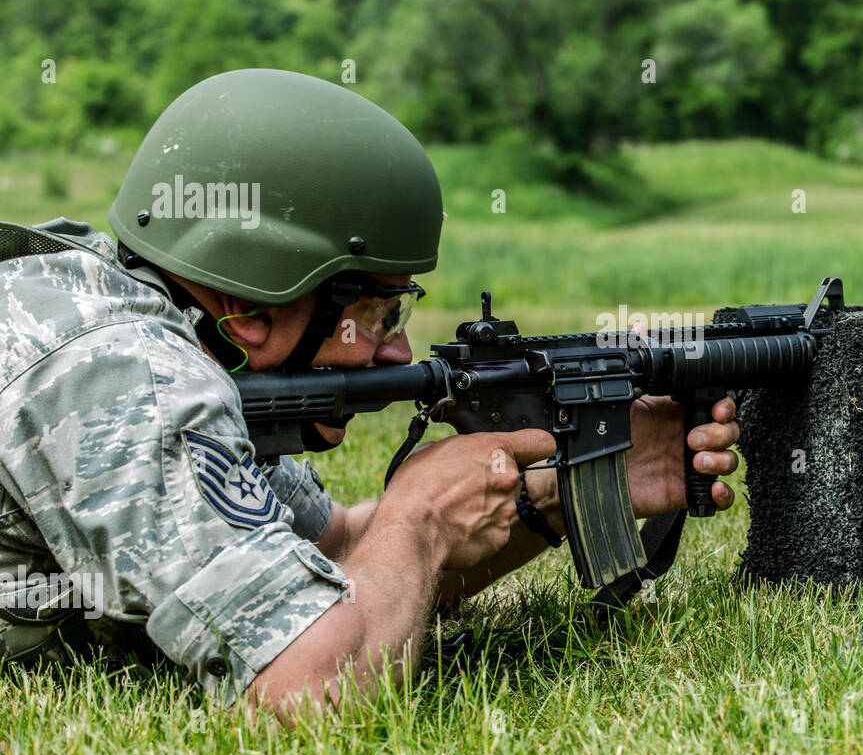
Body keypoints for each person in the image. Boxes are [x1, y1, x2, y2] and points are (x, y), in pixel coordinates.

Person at [0, 68, 741, 721]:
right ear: (256, 309)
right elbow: (315, 696)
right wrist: (419, 516)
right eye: (377, 315)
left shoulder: (176, 334)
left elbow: (339, 559)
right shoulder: (129, 381)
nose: (396, 352)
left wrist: (557, 493)